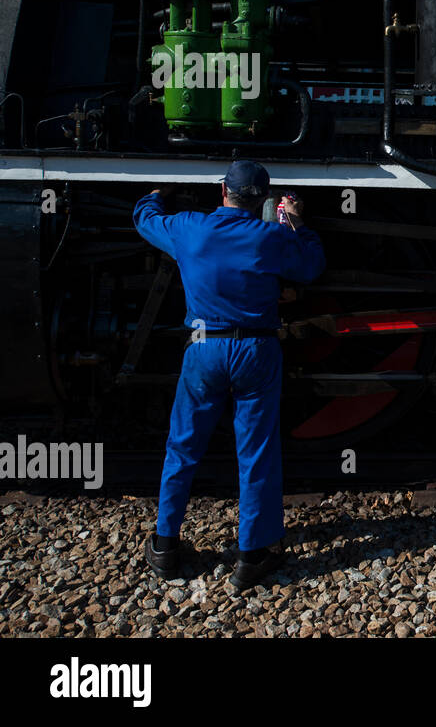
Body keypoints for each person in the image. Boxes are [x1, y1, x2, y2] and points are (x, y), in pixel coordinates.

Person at [132, 161, 325, 589]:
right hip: (256, 348)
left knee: (182, 446)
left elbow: (143, 218)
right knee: (255, 451)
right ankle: (253, 553)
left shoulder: (188, 228)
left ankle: (165, 547)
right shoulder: (271, 236)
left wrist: (157, 191)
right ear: (263, 200)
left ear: (223, 190)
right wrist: (296, 224)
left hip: (204, 347)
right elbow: (311, 265)